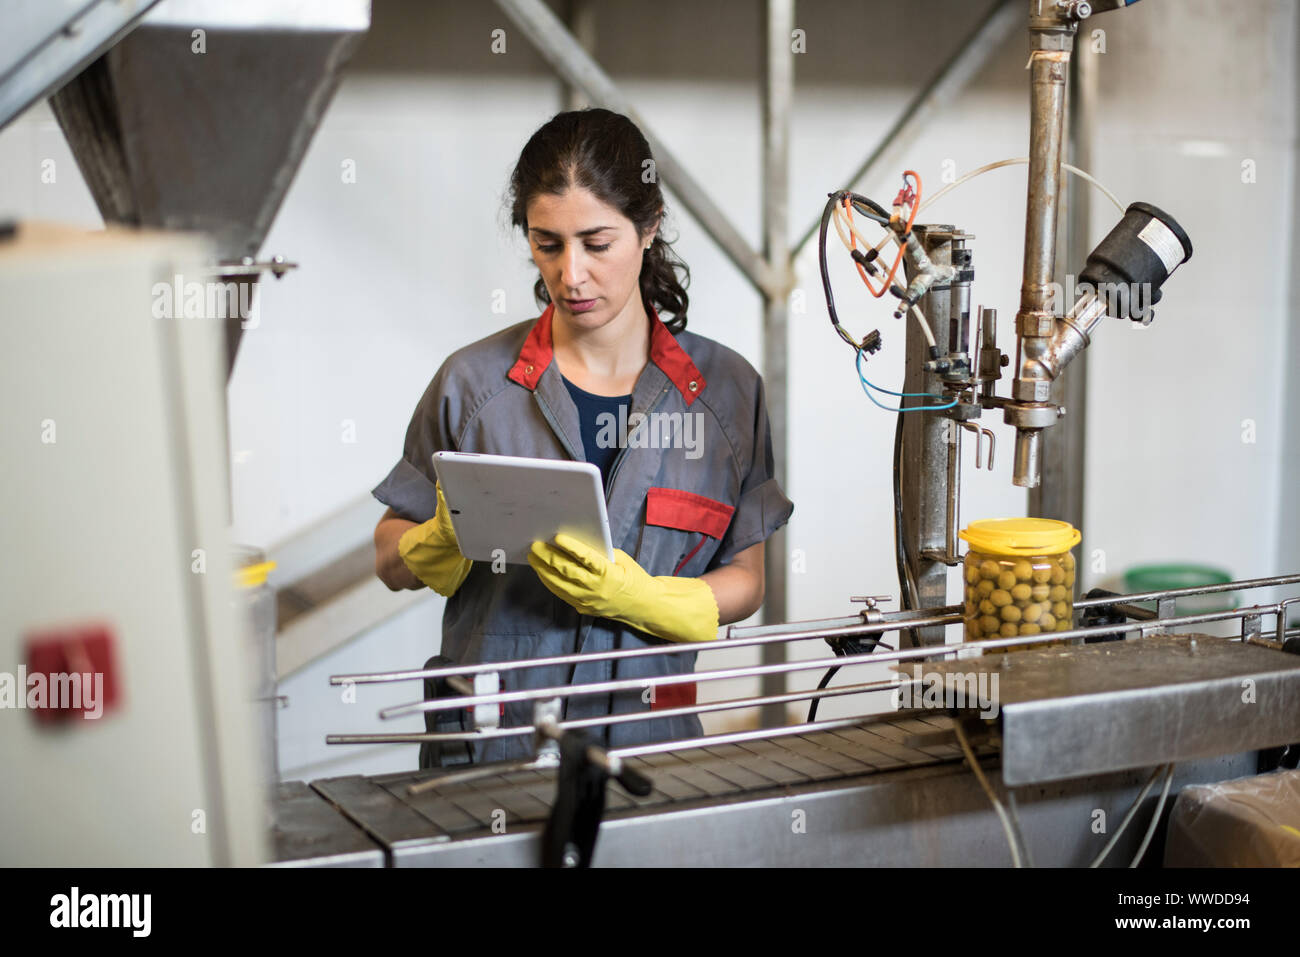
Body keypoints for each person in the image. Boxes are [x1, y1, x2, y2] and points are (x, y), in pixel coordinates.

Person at [371, 108, 792, 766]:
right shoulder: (473, 387)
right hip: (492, 755)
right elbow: (388, 557)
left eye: (597, 244)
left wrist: (642, 596)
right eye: (547, 243)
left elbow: (747, 578)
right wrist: (435, 540)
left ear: (649, 228)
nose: (570, 274)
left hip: (650, 755)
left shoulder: (726, 394)